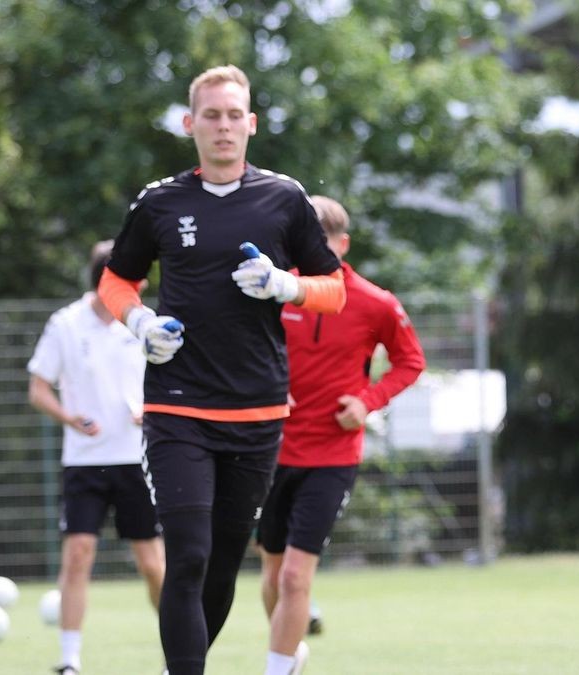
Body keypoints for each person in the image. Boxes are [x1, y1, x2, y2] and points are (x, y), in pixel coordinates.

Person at [97, 64, 346, 675]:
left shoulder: (284, 198)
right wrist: (141, 326)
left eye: (235, 115)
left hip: (258, 410)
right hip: (177, 406)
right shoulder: (160, 201)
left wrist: (285, 284)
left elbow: (334, 290)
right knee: (186, 556)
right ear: (190, 124)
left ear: (252, 124)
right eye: (212, 115)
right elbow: (116, 281)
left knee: (222, 561)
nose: (224, 126)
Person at [257, 196, 426, 675]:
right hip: (268, 452)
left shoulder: (375, 303)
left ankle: (276, 668)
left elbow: (411, 361)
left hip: (332, 457)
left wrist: (367, 402)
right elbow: (245, 355)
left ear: (342, 245)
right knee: (271, 573)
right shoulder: (271, 293)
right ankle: (290, 655)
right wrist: (265, 391)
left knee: (294, 575)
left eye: (321, 243)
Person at [27, 240, 166, 675]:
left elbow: (169, 381)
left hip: (135, 460)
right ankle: (69, 661)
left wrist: (151, 412)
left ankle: (175, 655)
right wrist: (71, 418)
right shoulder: (65, 324)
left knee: (152, 565)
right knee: (78, 553)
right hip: (85, 462)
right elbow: (38, 389)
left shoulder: (144, 325)